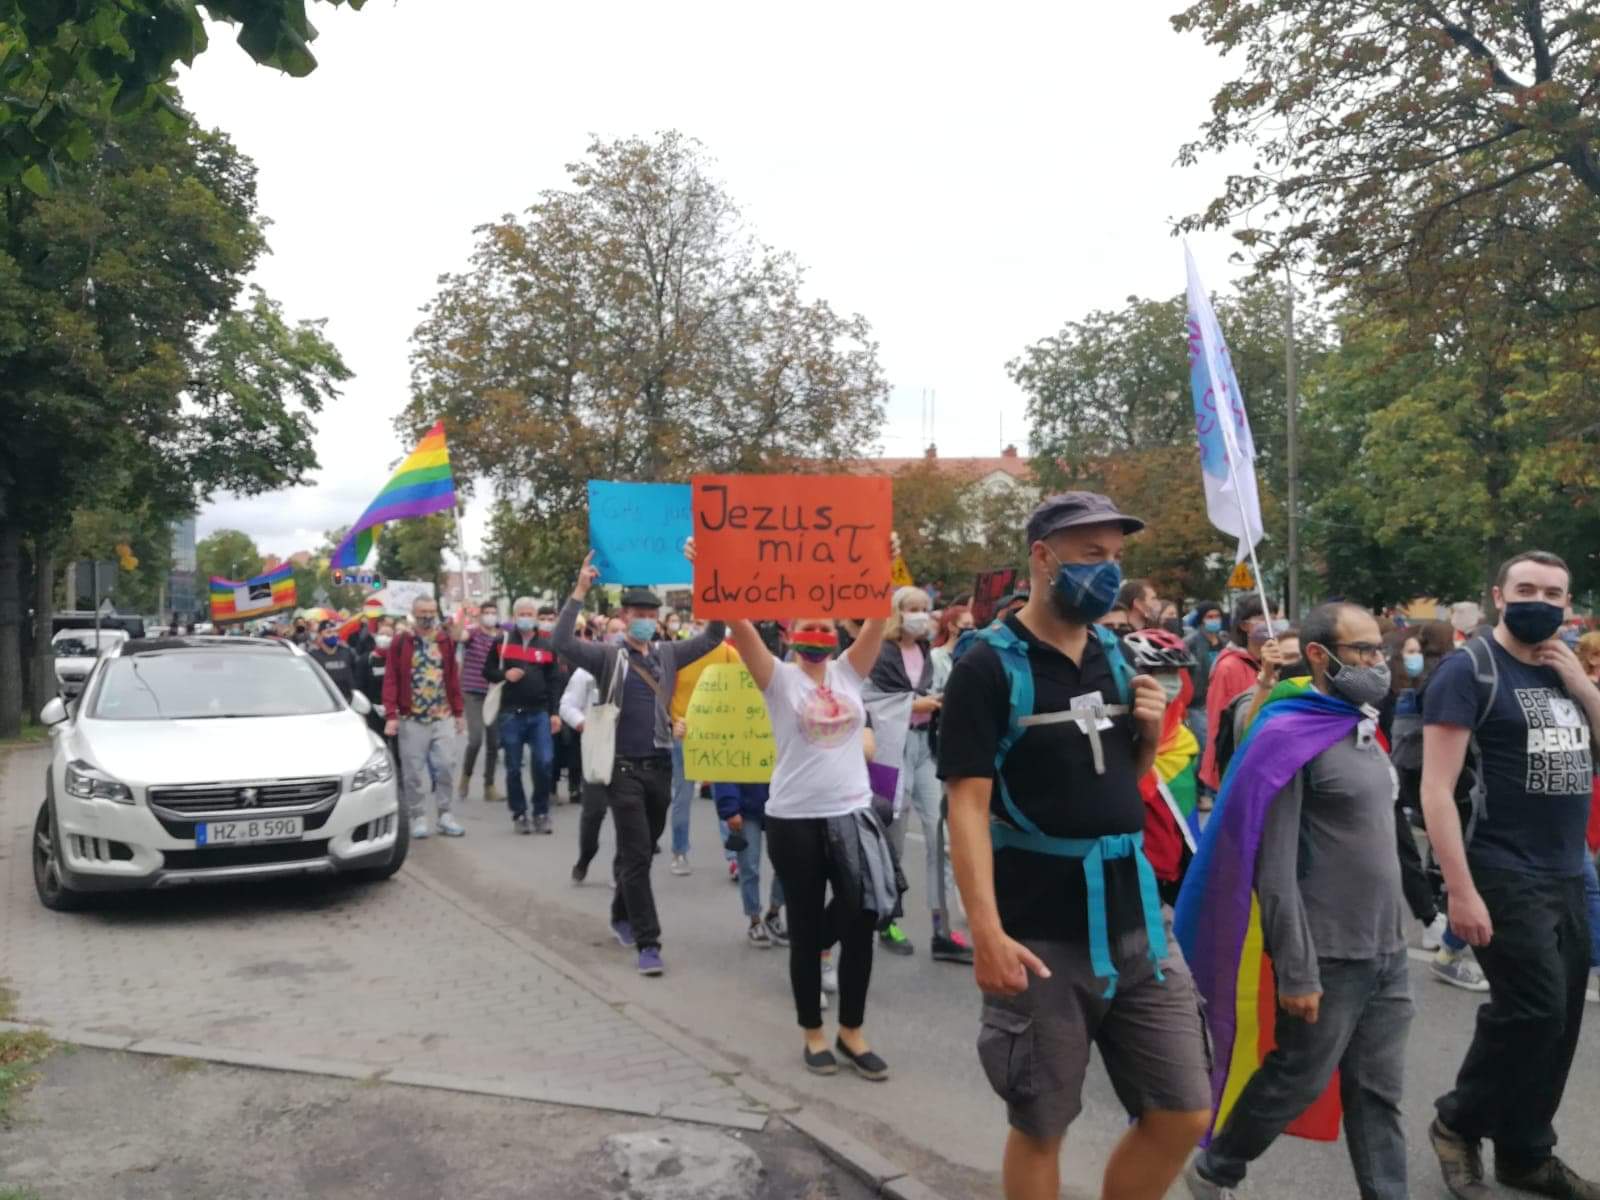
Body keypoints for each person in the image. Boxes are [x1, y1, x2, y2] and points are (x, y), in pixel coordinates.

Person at [941, 492, 1211, 1200]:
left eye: (1115, 558)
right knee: (1042, 1122)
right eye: (1092, 555)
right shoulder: (986, 666)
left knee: (1183, 1108)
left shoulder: (1116, 656)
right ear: (1043, 556)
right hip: (1039, 932)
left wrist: (1148, 734)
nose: (1108, 572)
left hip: (1139, 925)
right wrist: (988, 932)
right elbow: (965, 805)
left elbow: (1125, 780)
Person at [1183, 603, 1413, 1200]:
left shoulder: (1363, 726)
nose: (1378, 663)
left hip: (1387, 950)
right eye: (1362, 651)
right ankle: (1216, 1169)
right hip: (1327, 954)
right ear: (1319, 655)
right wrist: (1296, 968)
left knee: (1379, 1090)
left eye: (1379, 649)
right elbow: (1273, 868)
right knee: (1296, 1078)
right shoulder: (1288, 736)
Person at [1424, 551, 1600, 1200]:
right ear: (1499, 596)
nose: (1540, 601)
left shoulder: (1566, 669)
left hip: (1569, 870)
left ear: (1567, 603)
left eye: (1553, 593)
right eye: (1526, 589)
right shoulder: (1468, 671)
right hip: (1498, 866)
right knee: (1532, 1011)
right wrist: (1460, 889)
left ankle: (1526, 1152)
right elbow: (1436, 791)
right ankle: (1457, 1122)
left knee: (1560, 1024)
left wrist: (1585, 690)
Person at [727, 610, 894, 1082]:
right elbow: (738, 625)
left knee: (860, 918)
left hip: (853, 815)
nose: (818, 634)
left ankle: (852, 1031)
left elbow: (879, 621)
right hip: (794, 821)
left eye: (826, 625)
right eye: (808, 625)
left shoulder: (848, 671)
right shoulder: (778, 679)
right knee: (805, 925)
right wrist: (709, 569)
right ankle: (813, 1034)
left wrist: (880, 567)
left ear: (839, 630)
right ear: (788, 633)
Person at [554, 556, 727, 977]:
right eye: (638, 615)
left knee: (643, 851)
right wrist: (579, 591)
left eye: (651, 615)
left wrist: (707, 577)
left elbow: (715, 636)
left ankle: (620, 912)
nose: (646, 620)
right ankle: (648, 942)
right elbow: (561, 642)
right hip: (622, 770)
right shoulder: (606, 657)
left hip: (661, 767)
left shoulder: (667, 654)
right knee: (635, 854)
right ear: (623, 617)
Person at [867, 585, 970, 963]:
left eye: (926, 608)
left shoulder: (927, 654)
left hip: (925, 748)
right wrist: (913, 705)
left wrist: (933, 704)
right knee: (891, 835)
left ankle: (942, 929)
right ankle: (887, 918)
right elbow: (870, 703)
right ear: (896, 611)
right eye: (913, 608)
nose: (921, 615)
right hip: (892, 751)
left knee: (939, 836)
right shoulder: (879, 654)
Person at [382, 594, 467, 839]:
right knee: (413, 773)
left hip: (443, 716)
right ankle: (418, 816)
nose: (428, 616)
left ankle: (445, 814)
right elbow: (391, 679)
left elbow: (452, 679)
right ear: (414, 612)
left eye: (431, 611)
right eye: (423, 612)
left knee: (445, 767)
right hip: (412, 718)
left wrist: (459, 713)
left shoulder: (444, 641)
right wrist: (391, 715)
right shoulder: (401, 642)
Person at [667, 617, 741, 876]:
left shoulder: (729, 653)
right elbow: (664, 694)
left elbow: (740, 690)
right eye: (696, 621)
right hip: (684, 734)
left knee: (725, 793)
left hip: (718, 734)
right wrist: (673, 723)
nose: (700, 626)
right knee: (683, 795)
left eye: (705, 621)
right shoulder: (678, 653)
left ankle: (733, 857)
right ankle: (679, 852)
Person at [485, 597, 563, 835]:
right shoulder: (503, 641)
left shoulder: (547, 645)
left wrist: (554, 713)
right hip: (510, 714)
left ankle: (541, 811)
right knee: (513, 768)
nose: (527, 618)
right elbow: (487, 671)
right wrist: (504, 674)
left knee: (544, 761)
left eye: (532, 614)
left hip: (539, 713)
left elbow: (553, 682)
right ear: (515, 616)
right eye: (523, 614)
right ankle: (519, 813)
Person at [1199, 596, 1269, 792]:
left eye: (1274, 616)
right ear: (1245, 625)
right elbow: (1217, 722)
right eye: (1263, 617)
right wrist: (1217, 767)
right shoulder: (1228, 667)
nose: (1271, 623)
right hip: (1235, 762)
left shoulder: (1275, 662)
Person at [714, 782, 788, 947]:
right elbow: (726, 766)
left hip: (782, 802)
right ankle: (755, 920)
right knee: (749, 866)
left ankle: (774, 913)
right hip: (746, 805)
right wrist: (730, 808)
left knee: (787, 863)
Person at [458, 600, 503, 804]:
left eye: (493, 612)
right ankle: (465, 777)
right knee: (475, 739)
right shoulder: (473, 633)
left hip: (494, 692)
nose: (490, 616)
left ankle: (489, 786)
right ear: (480, 615)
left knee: (494, 742)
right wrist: (463, 615)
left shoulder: (503, 637)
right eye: (487, 612)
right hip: (473, 692)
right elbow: (458, 636)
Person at [1182, 601, 1225, 756]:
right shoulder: (1190, 643)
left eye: (1217, 616)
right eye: (1210, 616)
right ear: (1201, 620)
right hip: (1198, 705)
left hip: (1221, 703)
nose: (1214, 620)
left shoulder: (1225, 643)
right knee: (1206, 748)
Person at [308, 619, 358, 701]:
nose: (333, 635)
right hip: (325, 701)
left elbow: (355, 673)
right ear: (320, 635)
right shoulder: (313, 656)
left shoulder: (347, 652)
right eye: (328, 632)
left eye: (335, 632)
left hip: (348, 700)